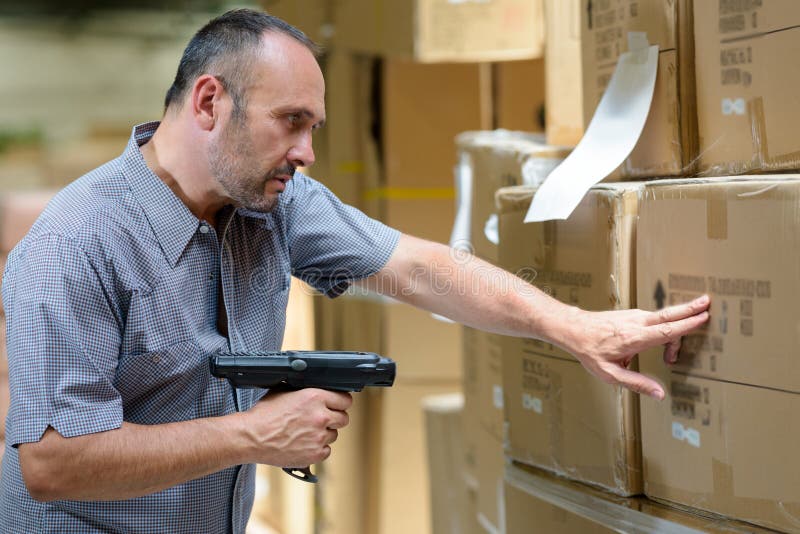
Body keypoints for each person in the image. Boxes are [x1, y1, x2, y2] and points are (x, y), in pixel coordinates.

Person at [0, 8, 710, 533]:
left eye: (315, 127)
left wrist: (573, 326)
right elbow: (55, 461)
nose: (307, 151)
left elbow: (422, 269)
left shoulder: (273, 205)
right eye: (292, 121)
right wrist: (255, 435)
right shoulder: (75, 244)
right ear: (211, 102)